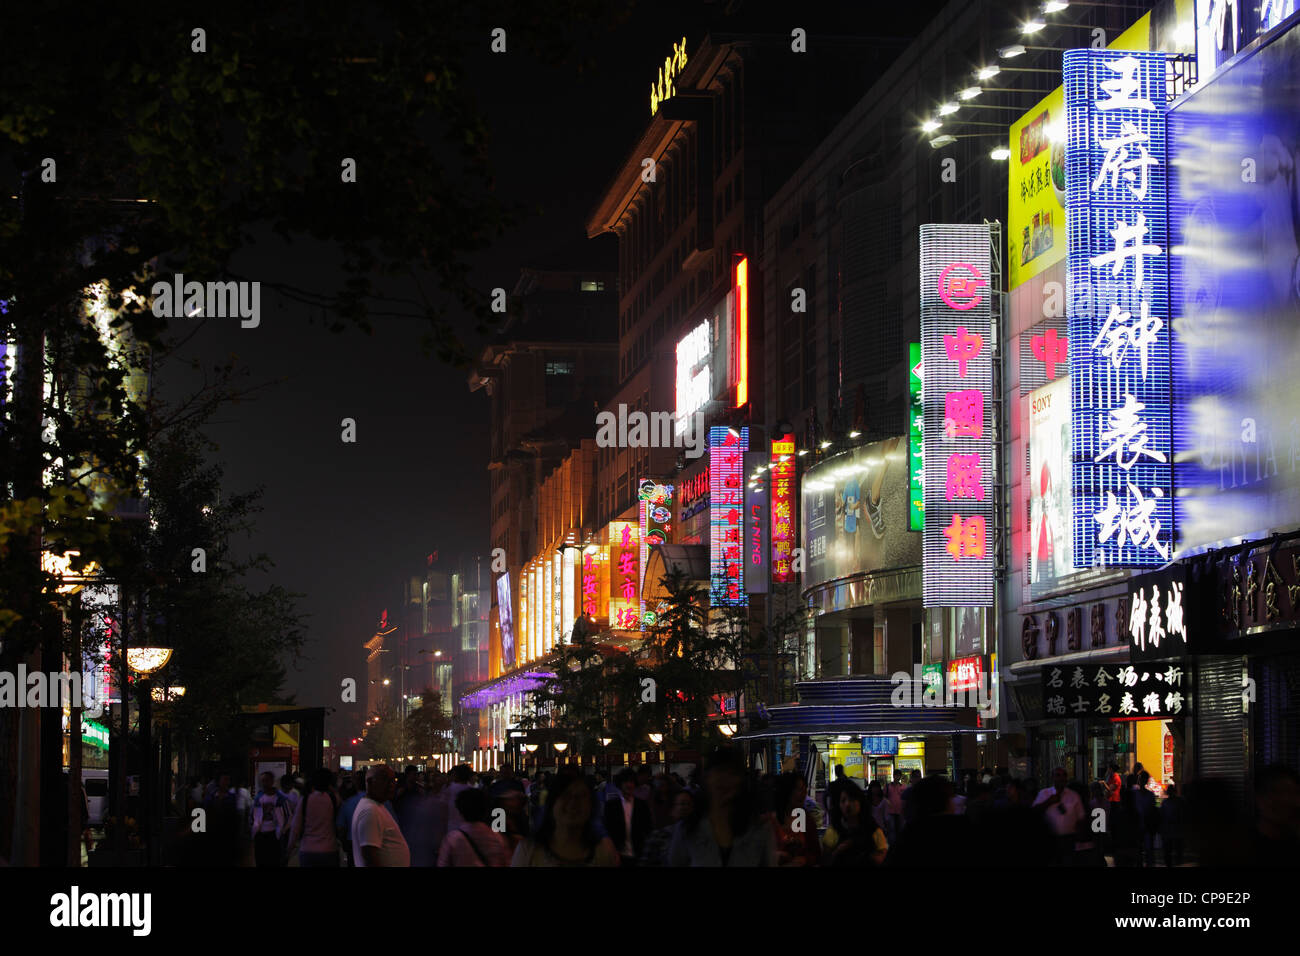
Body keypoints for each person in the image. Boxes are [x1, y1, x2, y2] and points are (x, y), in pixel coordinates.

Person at [669, 746, 776, 867]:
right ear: (707, 778)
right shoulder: (688, 829)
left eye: (732, 773)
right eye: (720, 771)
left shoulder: (759, 829)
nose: (726, 780)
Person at [511, 769, 619, 867]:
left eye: (580, 796)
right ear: (552, 804)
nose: (572, 803)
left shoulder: (603, 852)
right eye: (565, 796)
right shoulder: (529, 851)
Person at [351, 764, 410, 867]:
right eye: (385, 780)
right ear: (369, 782)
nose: (392, 785)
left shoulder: (376, 806)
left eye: (393, 780)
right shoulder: (370, 811)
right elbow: (370, 856)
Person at [438, 788, 509, 866]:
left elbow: (443, 864)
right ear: (485, 811)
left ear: (460, 810)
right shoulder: (498, 838)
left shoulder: (452, 839)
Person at [822, 782, 888, 866]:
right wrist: (838, 851)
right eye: (843, 801)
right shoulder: (833, 830)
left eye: (852, 799)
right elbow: (825, 861)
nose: (847, 804)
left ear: (860, 802)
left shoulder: (872, 828)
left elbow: (883, 855)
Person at [1032, 767, 1086, 865]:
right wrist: (1049, 801)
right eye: (1058, 775)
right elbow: (1034, 812)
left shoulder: (1073, 795)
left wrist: (1078, 835)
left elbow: (1081, 817)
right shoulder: (1044, 793)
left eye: (1063, 775)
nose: (1061, 778)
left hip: (1069, 840)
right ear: (1052, 778)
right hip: (1049, 839)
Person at [1248, 764, 1300, 866]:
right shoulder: (1242, 847)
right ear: (1258, 797)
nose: (1285, 800)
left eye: (1292, 793)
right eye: (1276, 792)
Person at [290, 768, 341, 867]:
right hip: (329, 849)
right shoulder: (334, 799)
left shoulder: (305, 800)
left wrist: (289, 848)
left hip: (308, 849)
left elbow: (296, 827)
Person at [769, 772, 821, 867]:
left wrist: (805, 859)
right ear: (787, 791)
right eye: (799, 789)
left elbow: (816, 854)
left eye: (805, 789)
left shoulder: (806, 819)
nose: (804, 793)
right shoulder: (770, 820)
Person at [603, 768, 653, 867]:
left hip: (638, 854)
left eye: (631, 782)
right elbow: (607, 829)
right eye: (626, 781)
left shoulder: (642, 805)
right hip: (617, 854)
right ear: (620, 784)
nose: (629, 785)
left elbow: (648, 828)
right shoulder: (611, 806)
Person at [641, 790, 693, 867]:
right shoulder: (659, 836)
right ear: (672, 809)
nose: (686, 807)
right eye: (682, 803)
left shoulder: (698, 836)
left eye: (689, 804)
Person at [251, 772, 290, 867]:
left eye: (266, 780)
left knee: (275, 861)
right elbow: (252, 816)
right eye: (262, 781)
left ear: (272, 781)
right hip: (261, 835)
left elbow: (289, 816)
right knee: (261, 861)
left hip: (275, 835)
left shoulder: (281, 799)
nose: (264, 783)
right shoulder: (258, 798)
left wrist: (282, 831)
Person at [336, 769, 366, 866]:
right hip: (376, 843)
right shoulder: (382, 802)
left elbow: (341, 827)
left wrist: (343, 842)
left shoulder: (348, 803)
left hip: (352, 842)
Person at [1160, 781, 1186, 868]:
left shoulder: (1166, 803)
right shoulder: (1179, 802)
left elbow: (1162, 816)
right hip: (1174, 830)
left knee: (1169, 852)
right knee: (1175, 851)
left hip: (1170, 831)